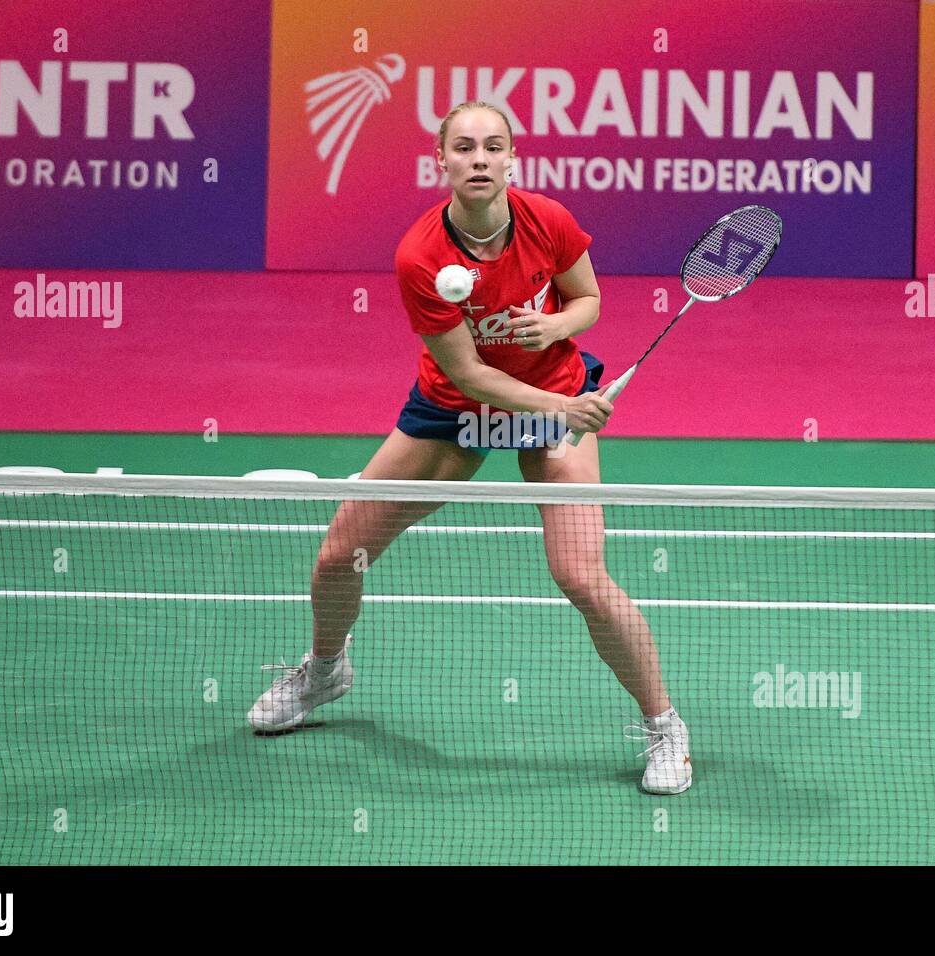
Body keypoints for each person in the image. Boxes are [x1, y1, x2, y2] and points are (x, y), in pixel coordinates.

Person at [248, 100, 691, 795]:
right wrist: (563, 406)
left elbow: (588, 301)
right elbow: (467, 373)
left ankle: (665, 726)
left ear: (512, 158)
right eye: (465, 147)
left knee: (580, 574)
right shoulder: (420, 255)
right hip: (460, 411)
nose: (479, 158)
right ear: (442, 161)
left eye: (492, 147)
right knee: (340, 553)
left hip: (552, 398)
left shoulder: (548, 220)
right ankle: (325, 671)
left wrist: (550, 333)